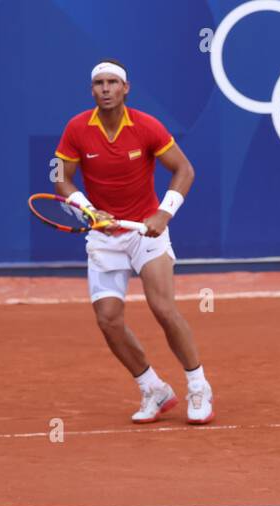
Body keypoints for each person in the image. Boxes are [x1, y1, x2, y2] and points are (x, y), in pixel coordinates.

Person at [54, 59, 214, 424]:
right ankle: (153, 388)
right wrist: (89, 211)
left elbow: (184, 170)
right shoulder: (77, 129)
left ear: (126, 88)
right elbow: (62, 181)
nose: (105, 89)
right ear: (92, 90)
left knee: (163, 309)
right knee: (108, 320)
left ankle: (198, 385)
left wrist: (164, 213)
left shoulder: (146, 126)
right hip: (104, 238)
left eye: (112, 82)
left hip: (145, 234)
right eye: (99, 83)